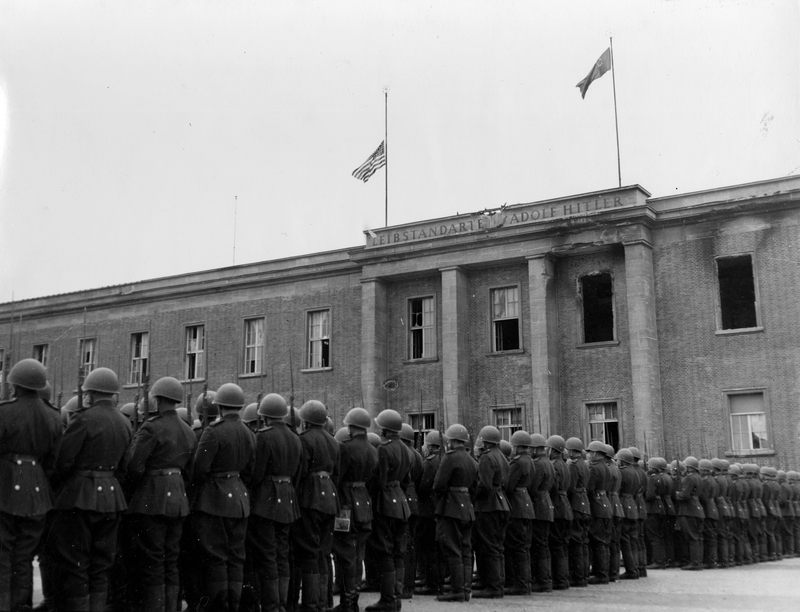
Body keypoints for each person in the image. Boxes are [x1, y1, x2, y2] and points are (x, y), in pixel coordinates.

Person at [51, 367, 132, 611]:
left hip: (80, 497)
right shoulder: (124, 422)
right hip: (112, 497)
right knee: (101, 564)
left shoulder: (82, 419)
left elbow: (64, 461)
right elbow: (125, 466)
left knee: (77, 562)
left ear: (91, 393)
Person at [125, 376, 198, 612]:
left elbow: (134, 467)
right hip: (178, 501)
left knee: (154, 561)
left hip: (152, 501)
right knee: (171, 561)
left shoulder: (151, 427)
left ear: (157, 400)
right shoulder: (188, 431)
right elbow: (190, 472)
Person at [0, 359, 62, 612]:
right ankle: (20, 606)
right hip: (38, 491)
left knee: (3, 555)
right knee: (24, 558)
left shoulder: (4, 411)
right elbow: (54, 462)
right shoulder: (53, 415)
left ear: (16, 384)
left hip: (5, 488)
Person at [190, 383, 256, 612]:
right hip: (240, 500)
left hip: (214, 500)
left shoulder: (213, 431)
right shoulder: (249, 433)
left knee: (216, 557)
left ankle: (220, 607)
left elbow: (199, 469)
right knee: (236, 557)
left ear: (219, 407)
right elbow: (250, 471)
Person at [247, 393, 303, 612]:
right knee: (281, 554)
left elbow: (256, 473)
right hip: (288, 499)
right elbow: (297, 474)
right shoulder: (295, 437)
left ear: (266, 416)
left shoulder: (264, 436)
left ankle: (271, 605)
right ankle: (280, 604)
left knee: (268, 554)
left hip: (267, 501)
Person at [292, 400, 340, 612]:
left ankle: (311, 604)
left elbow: (300, 471)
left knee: (310, 551)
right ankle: (322, 602)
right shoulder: (333, 441)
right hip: (330, 497)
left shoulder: (304, 440)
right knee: (323, 551)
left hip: (310, 497)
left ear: (306, 421)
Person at [332, 408, 377, 612]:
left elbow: (337, 477)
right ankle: (353, 600)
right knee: (357, 555)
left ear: (351, 427)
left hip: (346, 505)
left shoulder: (345, 448)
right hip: (364, 504)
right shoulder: (372, 450)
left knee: (347, 556)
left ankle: (348, 603)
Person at [365, 409, 410, 612]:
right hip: (401, 502)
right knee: (398, 552)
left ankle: (388, 599)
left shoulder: (384, 449)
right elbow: (406, 480)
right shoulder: (405, 448)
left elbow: (380, 481)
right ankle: (396, 597)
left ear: (384, 429)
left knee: (385, 551)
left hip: (386, 503)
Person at [433, 424, 477, 603]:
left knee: (452, 548)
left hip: (451, 507)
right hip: (467, 507)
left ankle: (457, 590)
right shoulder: (472, 460)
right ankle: (465, 590)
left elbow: (438, 484)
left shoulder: (450, 458)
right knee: (466, 549)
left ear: (451, 441)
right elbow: (474, 488)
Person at [471, 426, 509, 599]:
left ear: (485, 441)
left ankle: (493, 586)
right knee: (497, 546)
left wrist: (474, 498)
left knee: (489, 545)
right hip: (501, 502)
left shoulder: (487, 457)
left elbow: (484, 485)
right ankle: (496, 583)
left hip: (488, 505)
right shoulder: (501, 456)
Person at [503, 431, 535, 596]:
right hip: (526, 504)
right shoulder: (529, 460)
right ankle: (525, 582)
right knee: (523, 547)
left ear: (516, 446)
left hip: (517, 506)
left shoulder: (517, 462)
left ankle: (520, 584)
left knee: (516, 547)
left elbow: (508, 485)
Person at [414, 431, 444, 597]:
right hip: (435, 508)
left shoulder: (430, 463)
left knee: (427, 547)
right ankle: (431, 580)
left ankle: (430, 582)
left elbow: (423, 487)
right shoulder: (441, 459)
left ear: (431, 446)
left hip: (426, 509)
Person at [528, 433, 554, 592]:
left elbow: (532, 487)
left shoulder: (538, 464)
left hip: (538, 506)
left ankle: (542, 580)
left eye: (531, 448)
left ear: (536, 449)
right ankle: (545, 578)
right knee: (543, 544)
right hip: (546, 504)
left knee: (539, 545)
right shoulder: (548, 463)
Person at [546, 435, 573, 590]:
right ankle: (562, 579)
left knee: (556, 545)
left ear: (552, 450)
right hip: (565, 505)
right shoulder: (565, 464)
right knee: (562, 545)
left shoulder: (555, 465)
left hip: (557, 506)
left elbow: (553, 487)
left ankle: (559, 579)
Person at [585, 440, 612, 584]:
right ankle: (602, 572)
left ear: (595, 453)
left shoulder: (594, 468)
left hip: (597, 506)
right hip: (605, 504)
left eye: (589, 452)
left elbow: (589, 488)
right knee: (603, 541)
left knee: (598, 541)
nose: (588, 455)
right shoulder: (607, 467)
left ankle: (600, 574)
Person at [565, 437, 590, 587]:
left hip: (575, 503)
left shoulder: (573, 466)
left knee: (575, 541)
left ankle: (578, 576)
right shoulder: (584, 464)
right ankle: (583, 574)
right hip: (584, 503)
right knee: (582, 541)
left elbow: (570, 487)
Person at [676, 456, 705, 571]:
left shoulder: (689, 478)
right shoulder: (698, 477)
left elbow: (684, 495)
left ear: (689, 467)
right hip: (697, 509)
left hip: (689, 510)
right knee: (697, 537)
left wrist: (677, 494)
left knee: (692, 537)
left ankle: (695, 562)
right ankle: (698, 561)